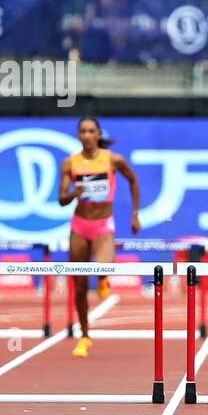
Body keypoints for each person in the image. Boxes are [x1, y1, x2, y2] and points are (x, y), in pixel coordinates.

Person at [57, 117, 142, 358]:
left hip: (104, 224)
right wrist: (74, 193)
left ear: (97, 134)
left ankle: (104, 277)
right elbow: (61, 200)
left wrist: (135, 214)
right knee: (80, 285)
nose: (87, 135)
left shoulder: (112, 159)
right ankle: (84, 335)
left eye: (91, 131)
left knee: (104, 266)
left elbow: (133, 180)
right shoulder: (69, 163)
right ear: (78, 135)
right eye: (82, 131)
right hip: (79, 225)